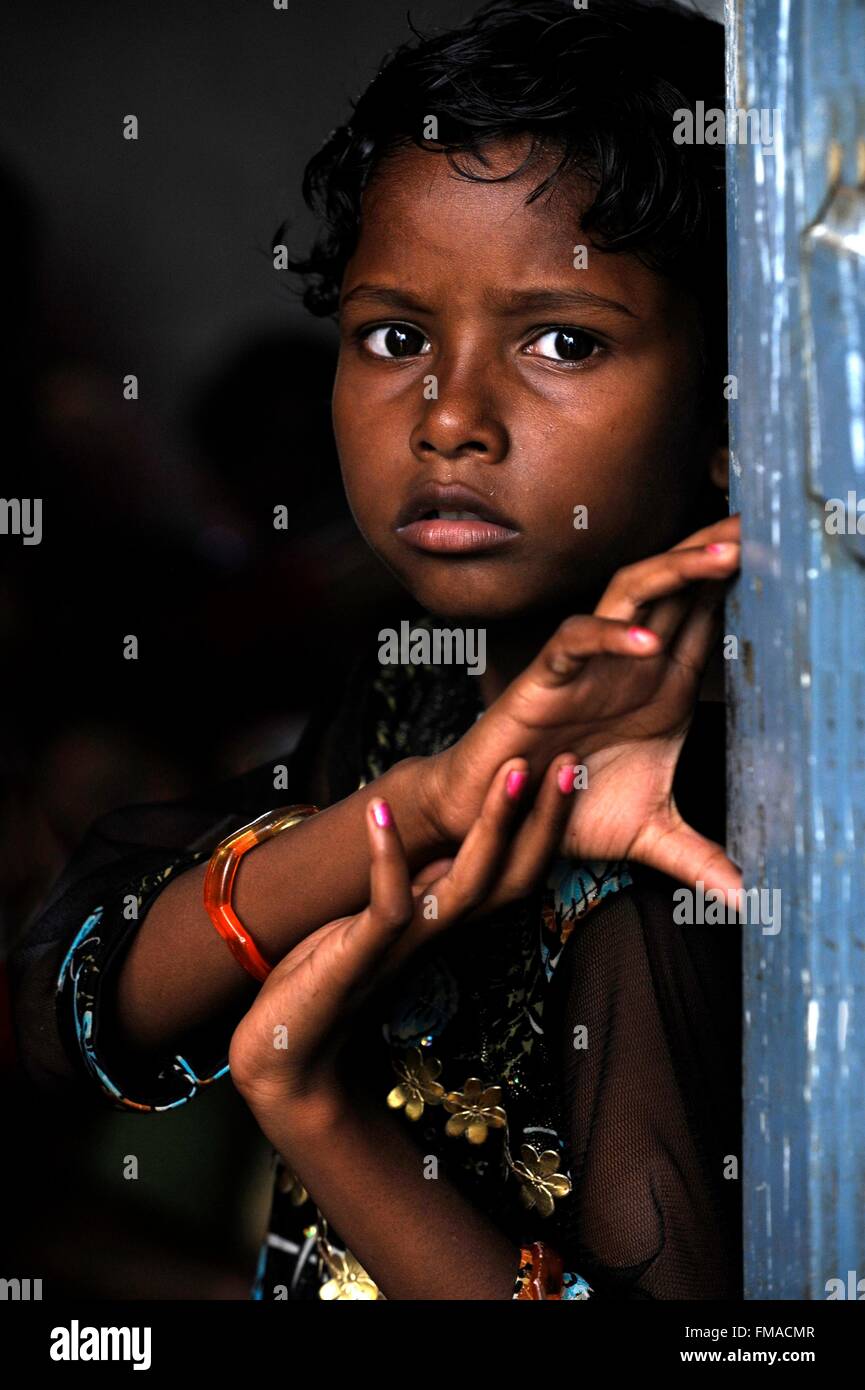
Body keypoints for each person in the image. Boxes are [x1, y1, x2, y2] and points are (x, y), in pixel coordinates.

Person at [10, 0, 744, 1300]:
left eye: (563, 339)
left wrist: (313, 1108)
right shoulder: (422, 686)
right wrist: (406, 812)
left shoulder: (674, 831)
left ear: (730, 401)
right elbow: (84, 1003)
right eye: (394, 336)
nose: (448, 416)